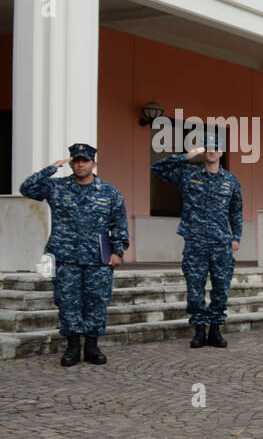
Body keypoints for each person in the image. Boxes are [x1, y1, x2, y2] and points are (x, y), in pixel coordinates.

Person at [21, 143, 129, 366]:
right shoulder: (56, 187)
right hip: (64, 257)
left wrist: (118, 251)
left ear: (93, 163)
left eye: (85, 160)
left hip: (98, 257)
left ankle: (92, 347)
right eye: (76, 160)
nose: (80, 164)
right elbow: (26, 188)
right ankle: (72, 348)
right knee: (67, 302)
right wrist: (51, 168)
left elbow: (119, 223)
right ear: (71, 163)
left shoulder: (109, 192)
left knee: (97, 302)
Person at [150, 130, 242, 348]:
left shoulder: (231, 180)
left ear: (221, 152)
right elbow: (157, 168)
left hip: (221, 242)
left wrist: (236, 236)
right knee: (195, 288)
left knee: (221, 288)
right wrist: (186, 156)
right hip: (195, 241)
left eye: (215, 148)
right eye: (207, 148)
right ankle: (199, 330)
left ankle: (216, 330)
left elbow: (236, 211)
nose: (211, 151)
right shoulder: (188, 174)